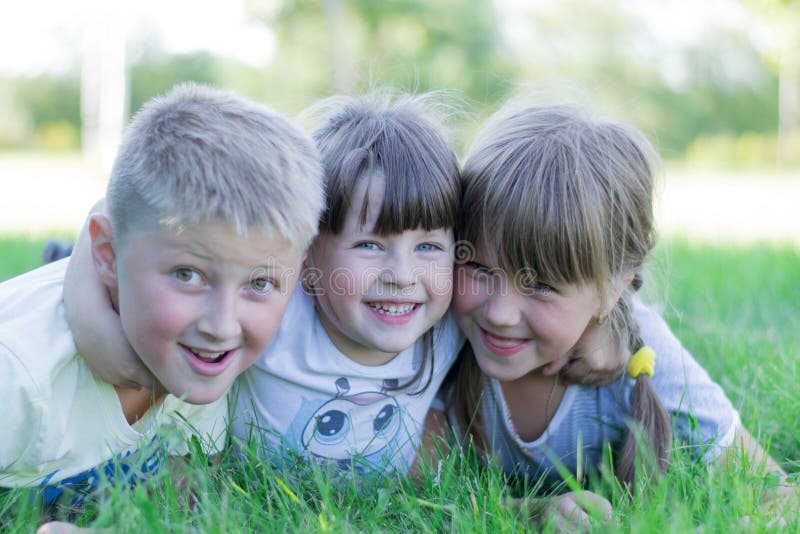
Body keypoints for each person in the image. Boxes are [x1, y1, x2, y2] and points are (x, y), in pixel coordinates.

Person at [63, 91, 465, 476]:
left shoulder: (447, 326)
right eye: (368, 244)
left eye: (428, 246)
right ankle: (57, 255)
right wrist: (92, 325)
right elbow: (109, 215)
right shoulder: (272, 311)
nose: (402, 276)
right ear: (306, 254)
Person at [442, 103, 794, 527]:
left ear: (614, 289)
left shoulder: (640, 351)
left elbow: (771, 489)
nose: (498, 313)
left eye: (540, 285)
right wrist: (531, 512)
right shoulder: (436, 327)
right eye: (477, 267)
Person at [0, 83, 324, 507]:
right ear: (106, 255)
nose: (222, 325)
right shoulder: (20, 379)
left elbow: (182, 494)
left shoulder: (206, 360)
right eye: (188, 275)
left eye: (260, 284)